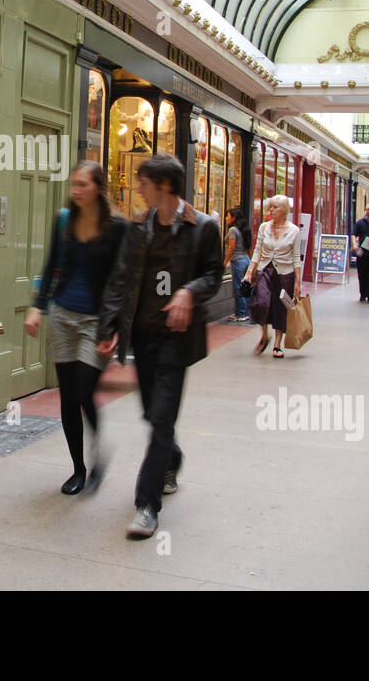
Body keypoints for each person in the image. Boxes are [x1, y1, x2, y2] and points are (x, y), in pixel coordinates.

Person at [97, 154, 222, 540]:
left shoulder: (203, 228)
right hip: (144, 336)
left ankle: (146, 505)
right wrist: (110, 326)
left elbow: (214, 275)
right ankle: (173, 457)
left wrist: (188, 291)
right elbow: (120, 279)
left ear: (164, 186)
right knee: (155, 415)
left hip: (177, 340)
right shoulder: (138, 227)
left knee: (161, 418)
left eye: (143, 183)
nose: (138, 189)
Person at [26, 161, 127, 496]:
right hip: (63, 315)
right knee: (68, 398)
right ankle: (78, 469)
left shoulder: (116, 228)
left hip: (96, 321)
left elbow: (120, 281)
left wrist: (112, 328)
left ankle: (99, 451)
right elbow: (51, 264)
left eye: (83, 184)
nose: (76, 191)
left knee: (84, 391)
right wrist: (38, 307)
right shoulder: (64, 220)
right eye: (74, 185)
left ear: (98, 187)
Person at [246, 195, 304, 358]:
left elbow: (296, 258)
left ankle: (277, 344)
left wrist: (298, 283)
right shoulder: (264, 227)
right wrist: (249, 272)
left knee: (281, 308)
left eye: (275, 207)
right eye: (270, 207)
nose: (271, 210)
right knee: (260, 302)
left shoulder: (294, 231)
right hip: (265, 270)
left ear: (284, 210)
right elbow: (257, 250)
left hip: (285, 273)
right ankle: (265, 335)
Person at [224, 207, 251, 322]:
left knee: (238, 288)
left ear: (233, 218)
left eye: (228, 216)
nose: (226, 218)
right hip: (246, 260)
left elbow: (231, 248)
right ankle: (246, 311)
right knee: (245, 287)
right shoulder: (244, 230)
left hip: (238, 262)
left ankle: (240, 313)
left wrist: (225, 263)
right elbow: (249, 248)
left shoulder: (233, 230)